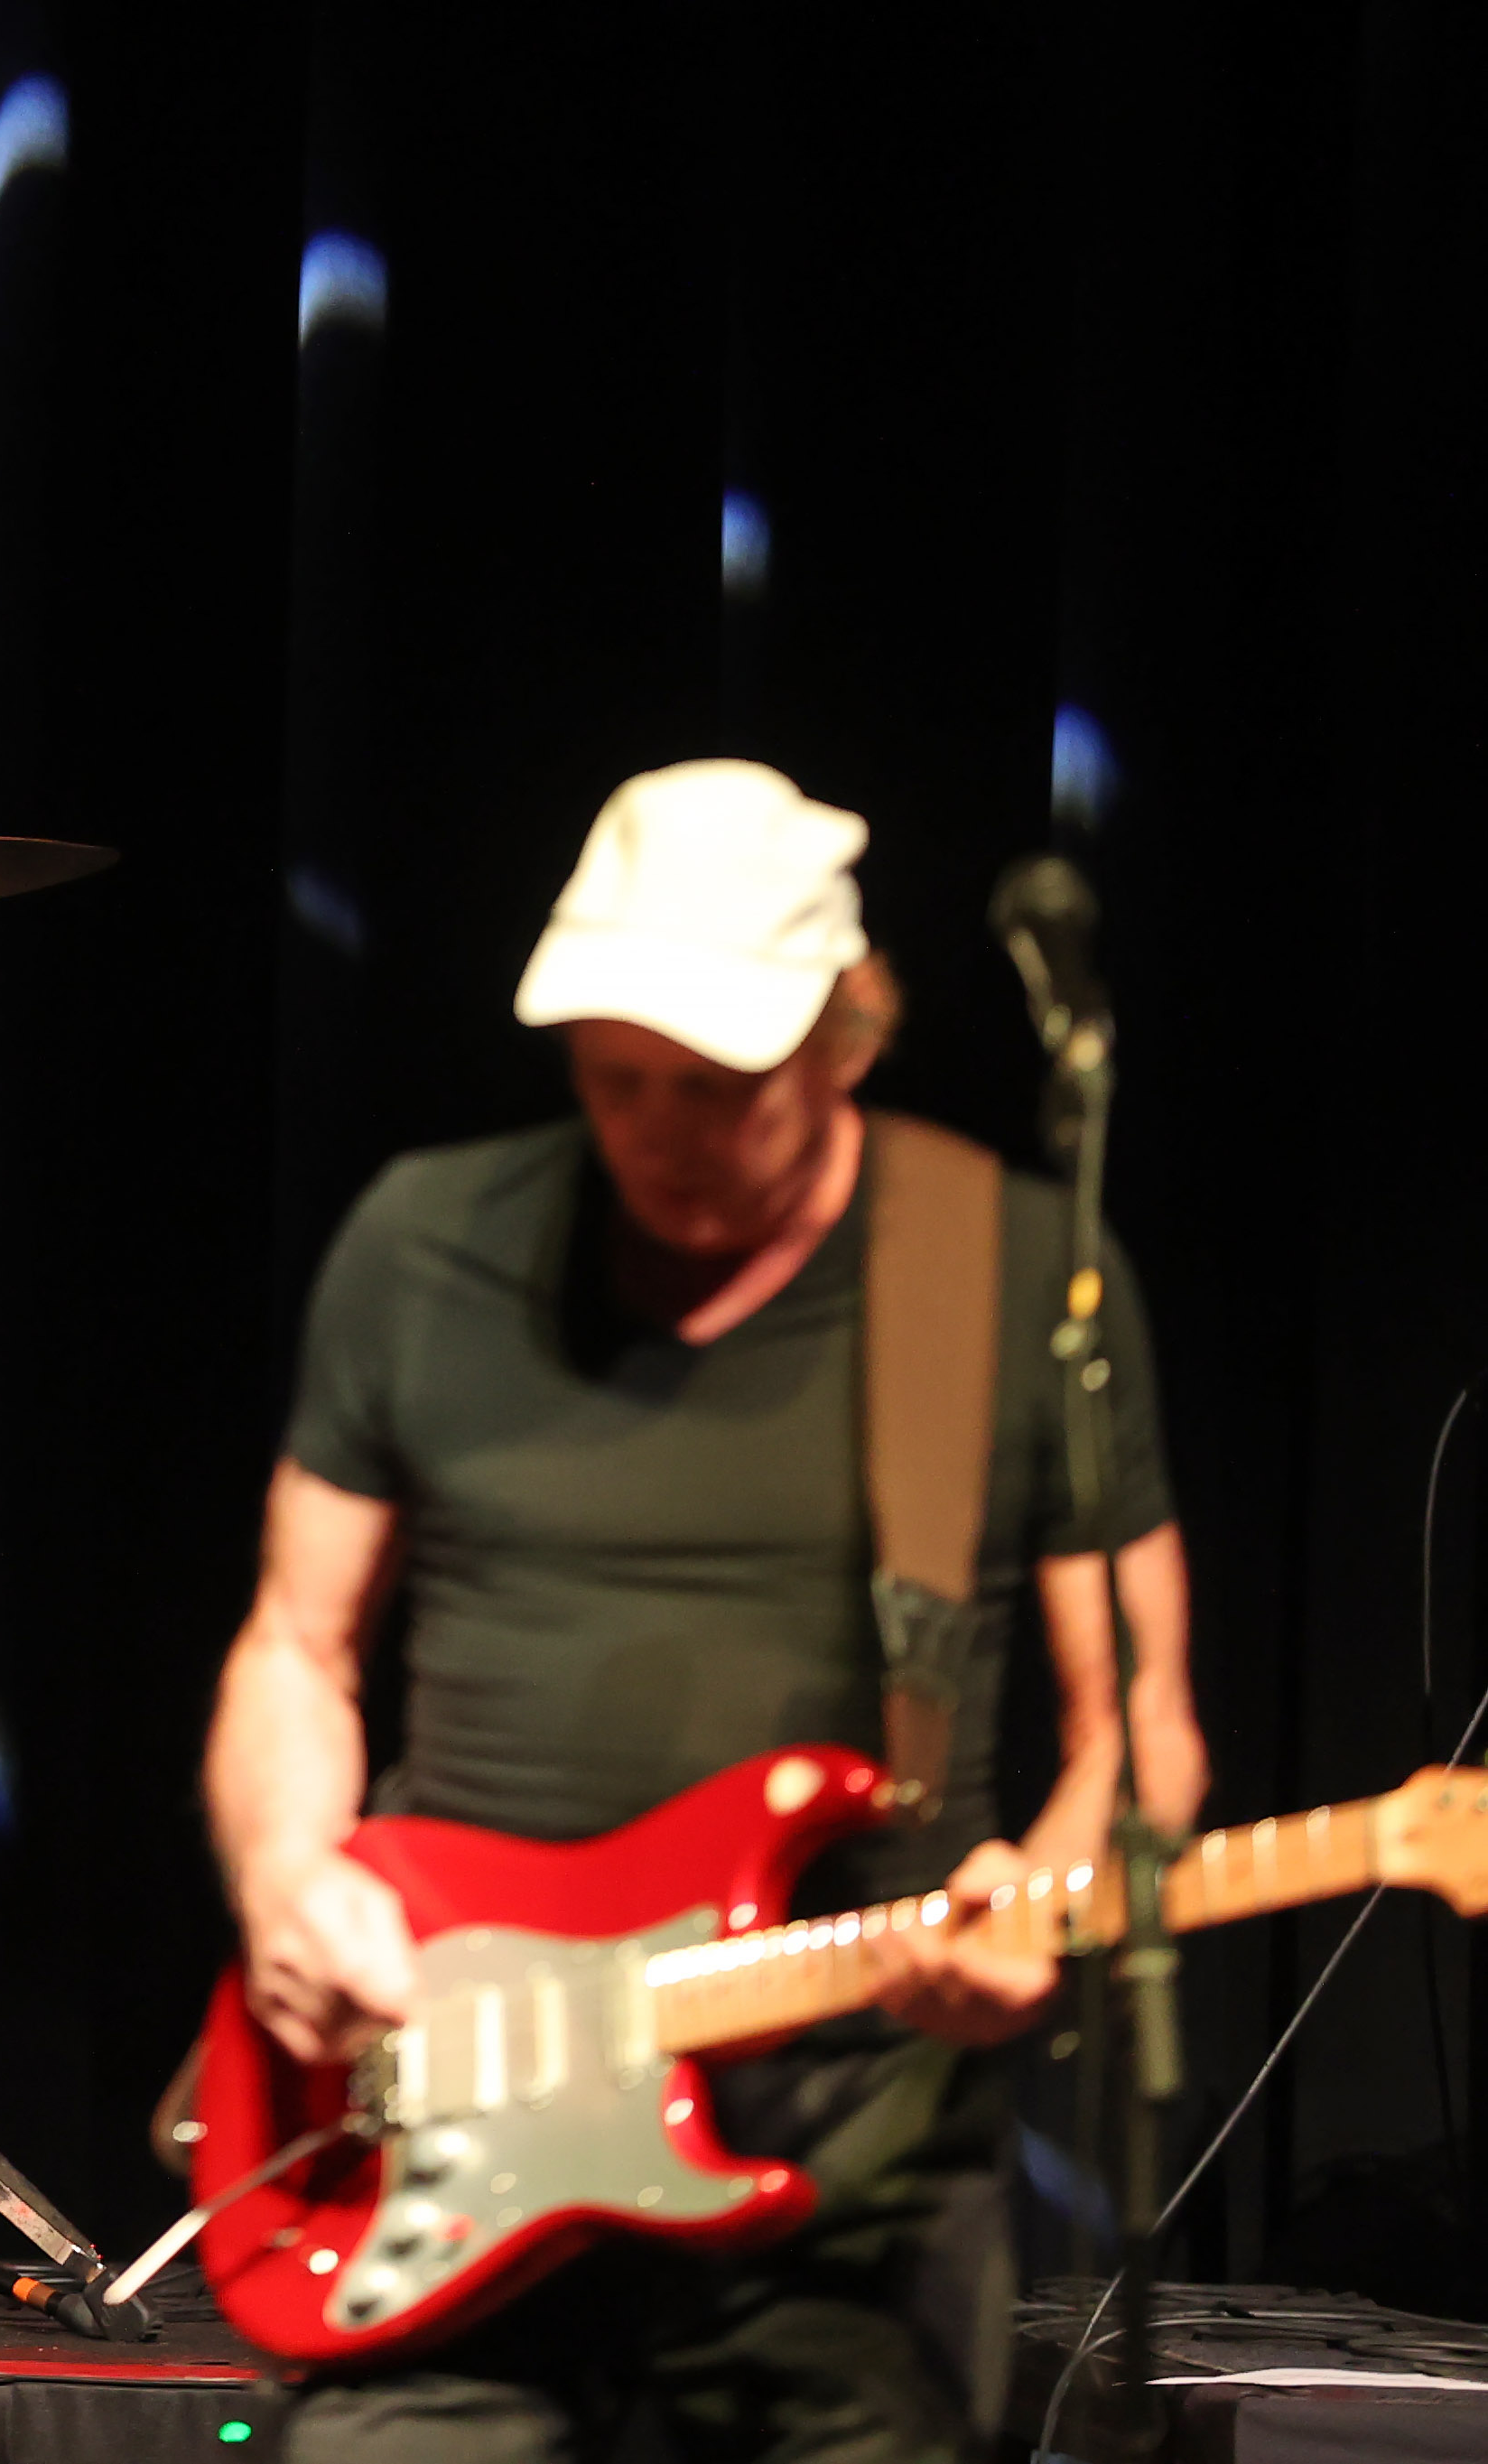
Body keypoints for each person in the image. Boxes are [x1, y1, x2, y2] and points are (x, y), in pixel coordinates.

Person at [205, 759, 1209, 2461]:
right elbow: (294, 1647)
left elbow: (1139, 1726)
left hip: (848, 2180)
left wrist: (1038, 1902)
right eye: (616, 1081)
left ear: (847, 1033)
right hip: (448, 2134)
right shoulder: (424, 1241)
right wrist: (283, 1875)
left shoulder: (1010, 1269)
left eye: (718, 1086)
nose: (659, 1131)